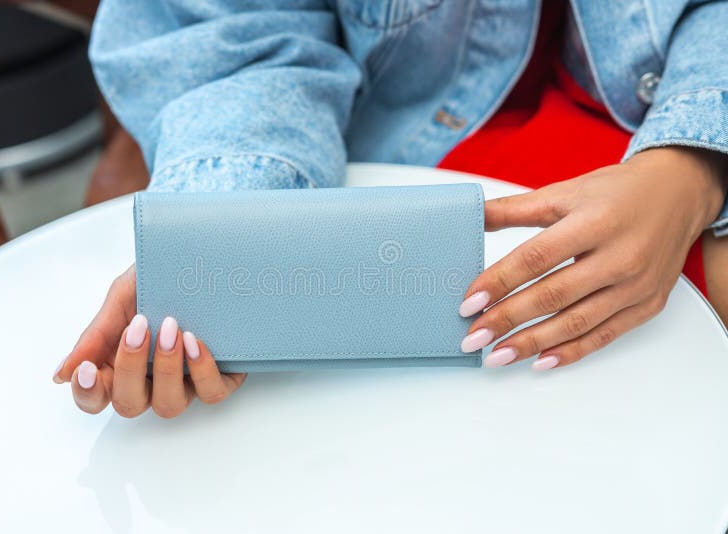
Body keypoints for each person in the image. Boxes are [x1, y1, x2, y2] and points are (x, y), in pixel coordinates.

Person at [53, 0, 728, 418]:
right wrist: (230, 227)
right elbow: (234, 30)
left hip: (660, 124)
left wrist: (693, 163)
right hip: (395, 135)